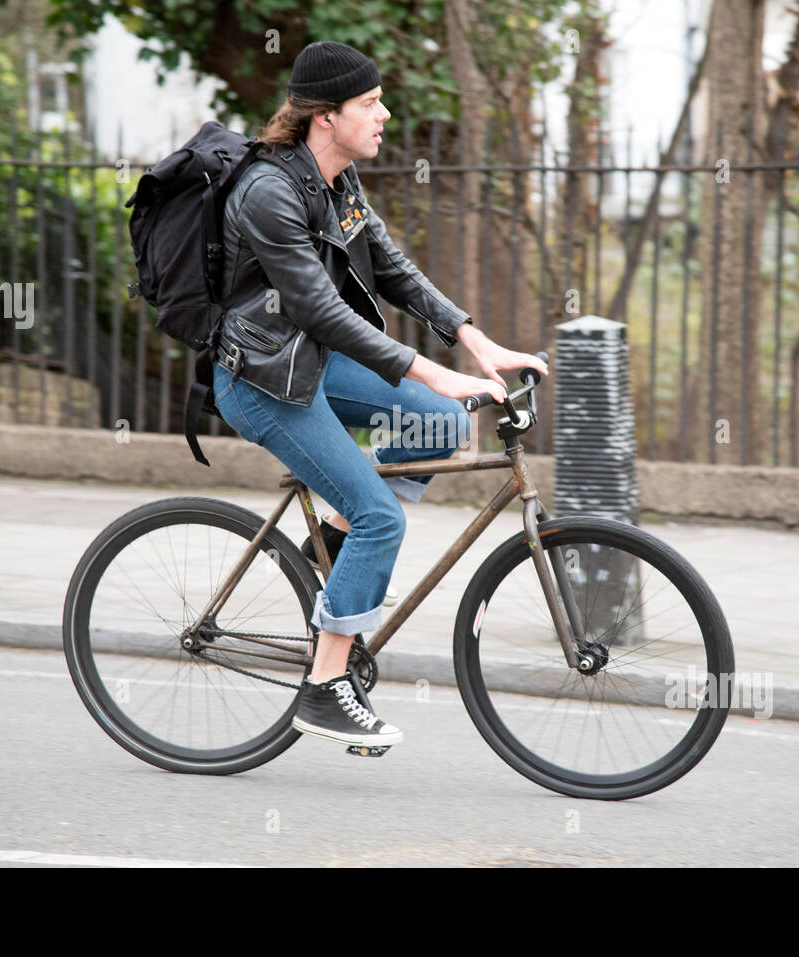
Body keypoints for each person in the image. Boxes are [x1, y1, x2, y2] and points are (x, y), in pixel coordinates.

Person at [213, 40, 548, 750]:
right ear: (324, 118)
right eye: (369, 104)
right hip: (263, 378)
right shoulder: (269, 192)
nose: (385, 114)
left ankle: (323, 557)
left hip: (313, 363)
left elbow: (393, 269)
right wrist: (431, 369)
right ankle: (324, 687)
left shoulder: (336, 183)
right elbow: (318, 309)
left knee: (437, 426)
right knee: (381, 519)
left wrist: (478, 344)